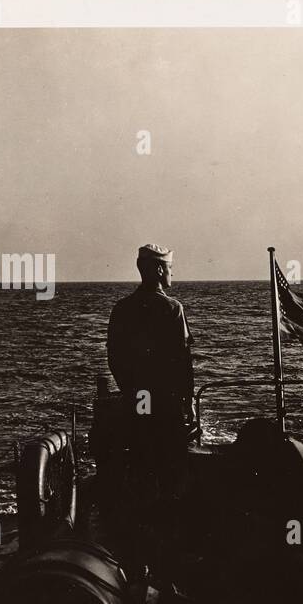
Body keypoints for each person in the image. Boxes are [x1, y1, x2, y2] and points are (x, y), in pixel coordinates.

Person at [105, 243, 195, 568]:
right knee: (171, 477)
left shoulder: (121, 309)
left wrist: (132, 390)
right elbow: (182, 362)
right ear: (158, 270)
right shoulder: (172, 309)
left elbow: (114, 357)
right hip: (167, 409)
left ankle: (138, 555)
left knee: (140, 472)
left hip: (136, 406)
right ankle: (168, 554)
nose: (172, 273)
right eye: (169, 267)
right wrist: (188, 404)